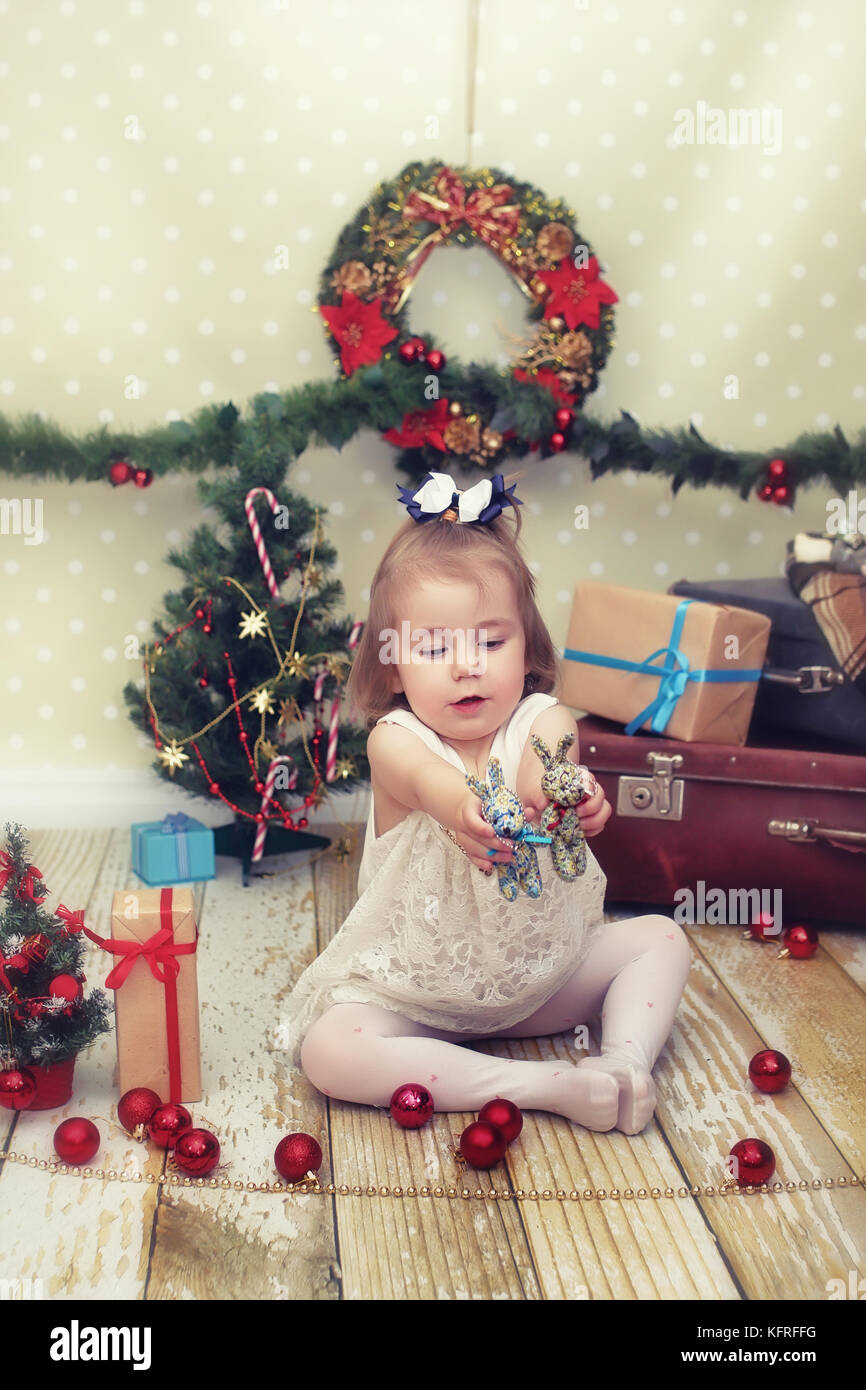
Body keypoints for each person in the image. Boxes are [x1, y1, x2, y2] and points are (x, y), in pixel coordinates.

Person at [281, 470, 692, 1134]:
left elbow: (543, 771)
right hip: (413, 992)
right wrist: (464, 811)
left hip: (540, 982)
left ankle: (622, 1066)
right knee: (329, 1050)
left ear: (527, 650)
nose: (467, 665)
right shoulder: (396, 738)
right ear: (393, 667)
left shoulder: (545, 718)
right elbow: (426, 782)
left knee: (663, 940)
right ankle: (540, 1085)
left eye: (491, 642)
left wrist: (568, 799)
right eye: (435, 647)